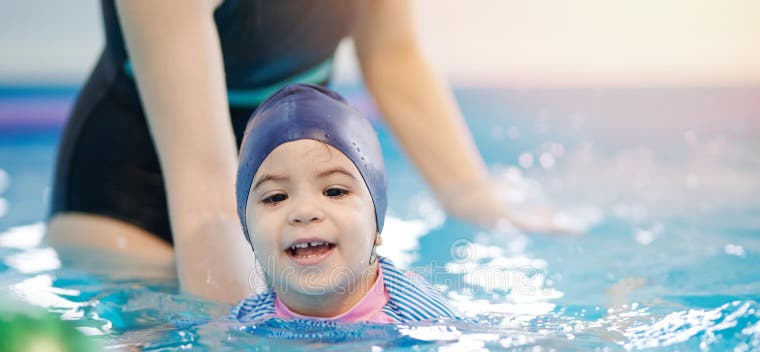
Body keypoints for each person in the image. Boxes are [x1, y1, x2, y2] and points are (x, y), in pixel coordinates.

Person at [47, 0, 569, 304]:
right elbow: (208, 204)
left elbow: (393, 56)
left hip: (293, 183)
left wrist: (473, 195)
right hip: (132, 203)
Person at [231, 83, 458, 324]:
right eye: (275, 197)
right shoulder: (246, 323)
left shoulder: (424, 317)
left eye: (334, 191)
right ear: (249, 234)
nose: (304, 212)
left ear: (376, 224)